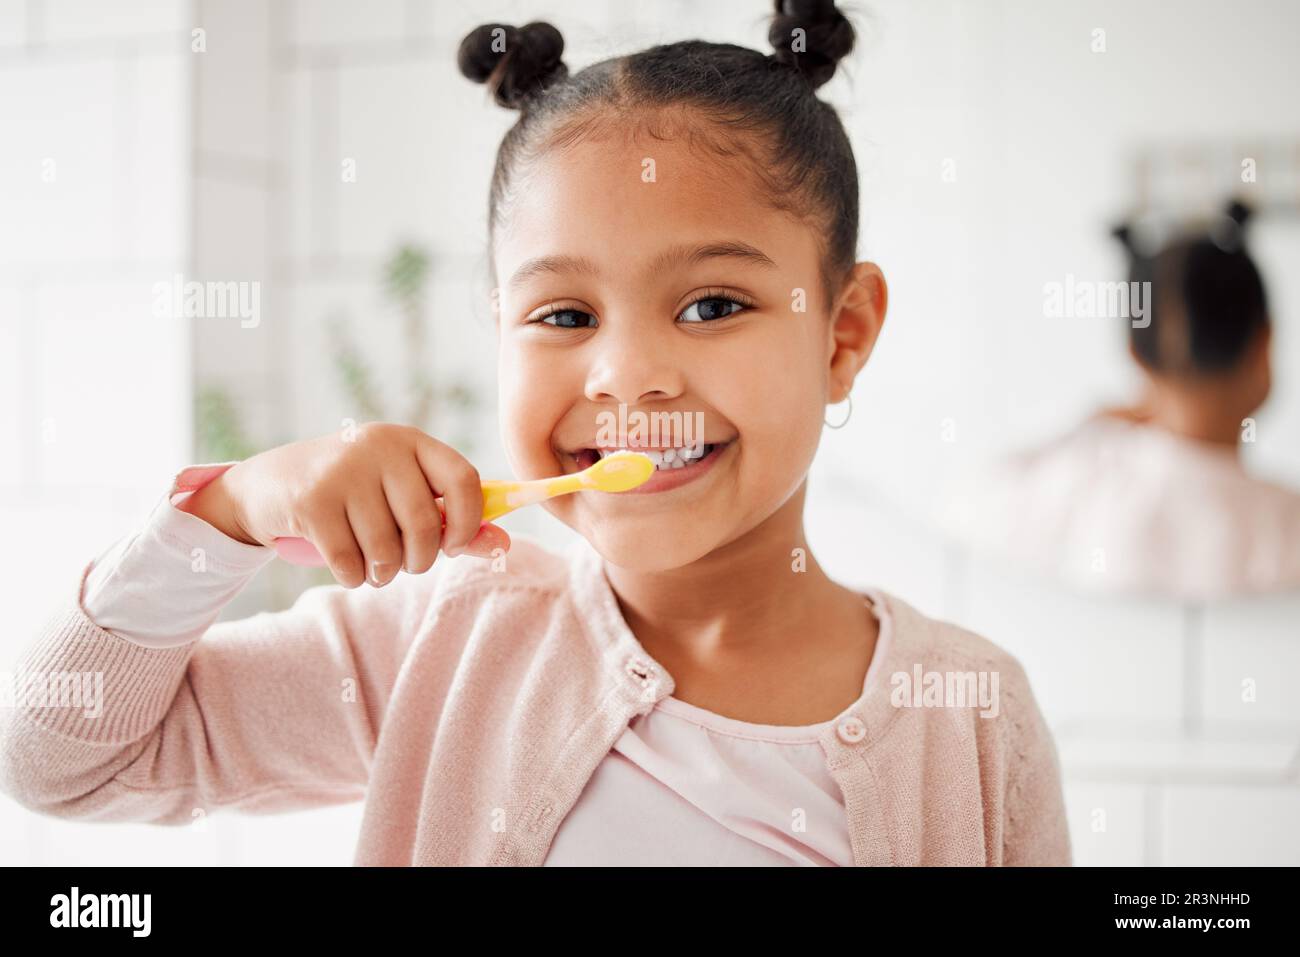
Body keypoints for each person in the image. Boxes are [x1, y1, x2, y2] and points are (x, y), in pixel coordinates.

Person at [0, 0, 1069, 866]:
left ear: (841, 333)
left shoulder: (970, 716)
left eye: (710, 305)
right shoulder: (441, 646)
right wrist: (229, 515)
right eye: (564, 316)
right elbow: (60, 759)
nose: (627, 376)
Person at [939, 199, 1300, 599]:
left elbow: (961, 507)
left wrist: (1091, 426)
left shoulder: (1071, 492)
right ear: (1264, 344)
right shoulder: (1287, 525)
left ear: (1135, 353)